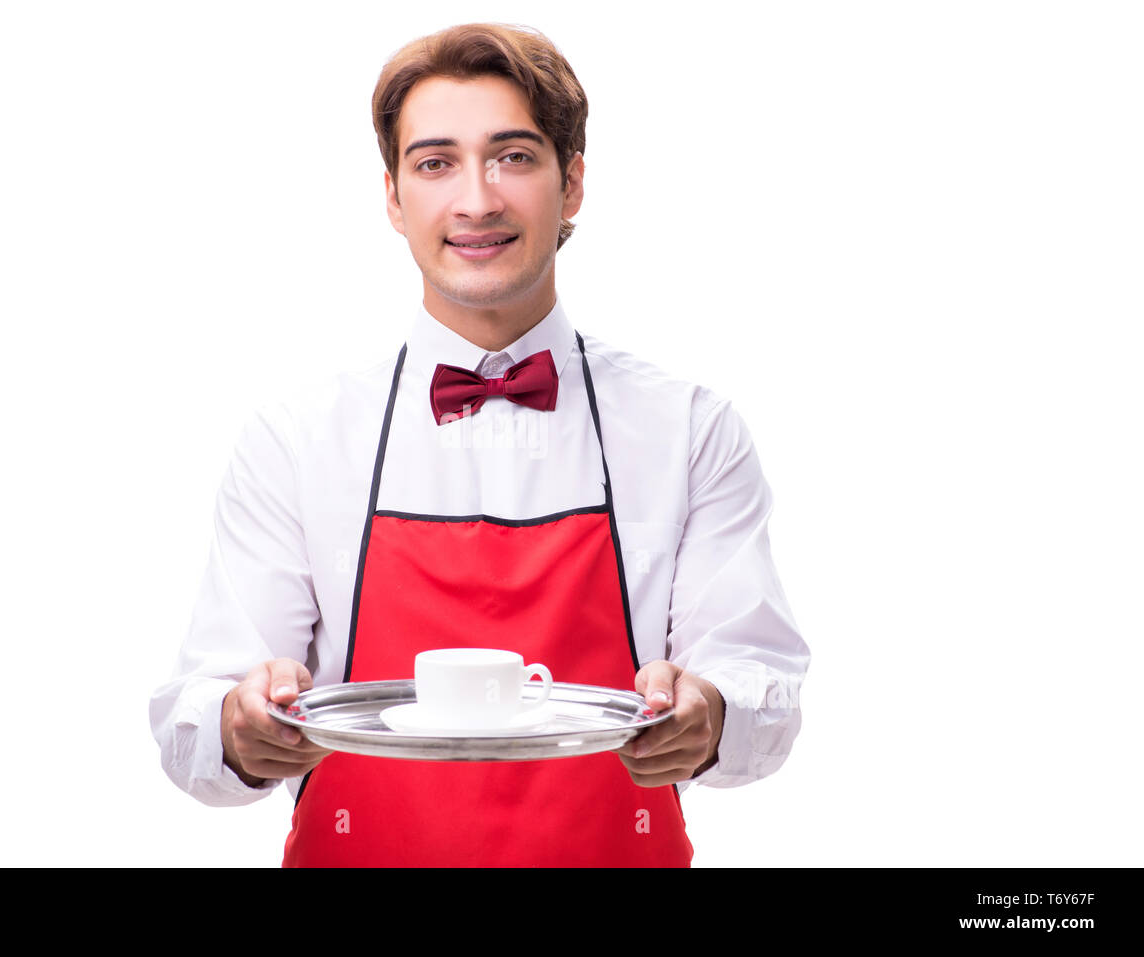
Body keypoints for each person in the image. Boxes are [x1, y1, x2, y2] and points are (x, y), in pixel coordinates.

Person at [149, 21, 810, 867]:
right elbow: (194, 716)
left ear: (572, 185)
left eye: (514, 157)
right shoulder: (297, 439)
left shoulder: (690, 430)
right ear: (392, 196)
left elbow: (766, 689)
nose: (476, 200)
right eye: (435, 163)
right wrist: (241, 729)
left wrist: (713, 712)